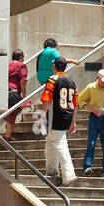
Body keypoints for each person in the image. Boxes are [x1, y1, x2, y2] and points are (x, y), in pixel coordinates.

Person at [40, 56, 78, 185]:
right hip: (67, 117)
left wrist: (42, 115)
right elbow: (75, 104)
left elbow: (47, 99)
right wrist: (73, 122)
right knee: (50, 144)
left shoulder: (52, 80)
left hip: (55, 118)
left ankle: (69, 175)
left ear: (54, 66)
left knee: (61, 146)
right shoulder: (71, 81)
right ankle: (51, 171)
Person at [78, 69, 104, 177]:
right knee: (91, 143)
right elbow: (81, 100)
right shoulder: (90, 87)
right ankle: (87, 167)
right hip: (94, 117)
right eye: (102, 80)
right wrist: (92, 109)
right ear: (97, 78)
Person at [35, 38, 81, 134]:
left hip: (41, 77)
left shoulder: (42, 53)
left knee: (49, 98)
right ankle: (47, 117)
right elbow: (61, 60)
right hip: (50, 77)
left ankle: (46, 115)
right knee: (52, 99)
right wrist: (73, 61)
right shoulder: (52, 51)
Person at [3, 49, 29, 140]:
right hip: (13, 92)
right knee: (13, 113)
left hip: (3, 91)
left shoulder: (8, 65)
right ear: (21, 57)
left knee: (10, 112)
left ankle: (8, 130)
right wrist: (24, 96)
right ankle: (7, 136)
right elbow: (23, 82)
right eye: (23, 58)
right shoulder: (21, 65)